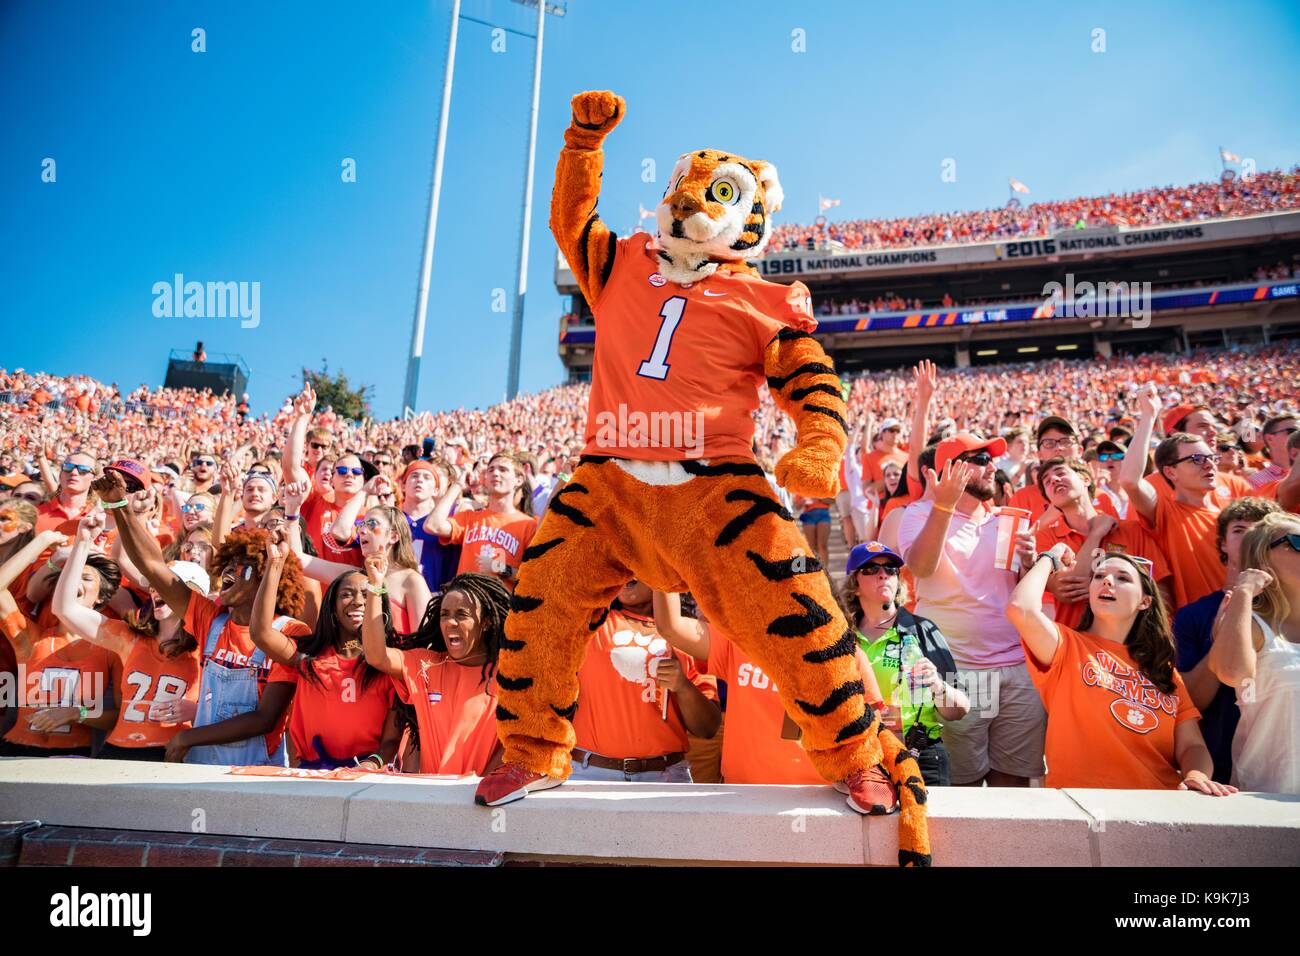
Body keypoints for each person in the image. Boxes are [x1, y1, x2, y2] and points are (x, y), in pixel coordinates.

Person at [97, 470, 310, 766]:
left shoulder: (290, 630)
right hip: (200, 763)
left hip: (255, 770)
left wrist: (189, 737)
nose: (227, 572)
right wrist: (120, 507)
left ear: (265, 577)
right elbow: (151, 566)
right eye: (228, 564)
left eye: (241, 566)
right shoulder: (211, 618)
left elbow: (265, 718)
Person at [1007, 544, 1233, 794]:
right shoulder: (1066, 645)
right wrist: (1050, 558)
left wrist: (1195, 776)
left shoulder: (1163, 670)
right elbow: (1021, 608)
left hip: (1159, 804)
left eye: (1122, 578)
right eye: (1099, 576)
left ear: (1145, 602)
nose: (1107, 582)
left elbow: (1192, 746)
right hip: (1085, 809)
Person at [898, 432, 1047, 787]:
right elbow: (919, 568)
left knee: (1013, 781)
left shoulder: (1006, 519)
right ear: (953, 469)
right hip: (959, 671)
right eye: (980, 459)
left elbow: (1016, 591)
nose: (992, 466)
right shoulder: (918, 514)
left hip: (1015, 669)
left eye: (992, 459)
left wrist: (1028, 562)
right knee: (961, 784)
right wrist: (944, 506)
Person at [51, 510, 207, 761]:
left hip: (170, 754)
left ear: (194, 595)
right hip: (115, 751)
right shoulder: (131, 638)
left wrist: (199, 711)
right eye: (156, 584)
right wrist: (82, 543)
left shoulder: (207, 645)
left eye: (171, 585)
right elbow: (64, 608)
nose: (158, 589)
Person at [250, 536, 400, 770]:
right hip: (312, 775)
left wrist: (371, 765)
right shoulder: (306, 656)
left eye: (367, 593)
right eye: (347, 594)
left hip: (368, 776)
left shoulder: (390, 662)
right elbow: (261, 633)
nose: (358, 601)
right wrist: (275, 564)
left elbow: (391, 741)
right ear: (332, 606)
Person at [361, 555, 506, 775]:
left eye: (462, 615)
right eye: (444, 615)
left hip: (480, 798)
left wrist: (483, 785)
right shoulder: (425, 664)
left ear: (485, 622)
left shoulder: (509, 676)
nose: (449, 622)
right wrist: (375, 588)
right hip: (432, 798)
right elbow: (376, 656)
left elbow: (514, 745)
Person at [566, 579, 720, 782]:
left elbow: (707, 728)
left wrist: (682, 686)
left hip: (665, 778)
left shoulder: (690, 638)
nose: (628, 572)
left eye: (638, 564)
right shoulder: (590, 622)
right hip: (592, 773)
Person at [841, 542, 969, 786]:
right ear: (854, 585)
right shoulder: (843, 637)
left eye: (890, 569)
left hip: (920, 756)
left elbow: (960, 710)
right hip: (864, 758)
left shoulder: (922, 630)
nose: (883, 574)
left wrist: (938, 686)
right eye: (870, 569)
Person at [1173, 497, 1281, 783]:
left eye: (1262, 530)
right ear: (1221, 544)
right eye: (1240, 530)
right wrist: (1221, 643)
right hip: (1220, 769)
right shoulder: (1193, 615)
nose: (1251, 538)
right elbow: (1190, 701)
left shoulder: (1293, 612)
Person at [0, 527, 122, 757]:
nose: (74, 580)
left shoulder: (113, 649)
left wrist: (77, 713)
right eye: (68, 577)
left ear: (100, 597)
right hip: (15, 751)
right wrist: (43, 541)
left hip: (73, 758)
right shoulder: (31, 638)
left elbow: (119, 715)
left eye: (85, 577)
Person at [1209, 512, 1300, 794]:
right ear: (1263, 559)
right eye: (1297, 541)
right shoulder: (1252, 622)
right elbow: (1231, 673)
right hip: (1269, 799)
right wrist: (1244, 591)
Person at [1120, 384, 1224, 610]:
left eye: (1212, 457)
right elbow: (1129, 480)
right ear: (1170, 472)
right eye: (1197, 459)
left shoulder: (1232, 517)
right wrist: (1148, 416)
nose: (1209, 464)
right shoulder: (1165, 513)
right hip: (1197, 633)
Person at [1034, 457, 1172, 627]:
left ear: (1085, 479)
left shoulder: (1131, 530)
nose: (1054, 479)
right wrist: (1096, 534)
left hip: (1132, 644)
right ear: (1049, 500)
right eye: (1047, 481)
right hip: (1078, 643)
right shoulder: (1046, 539)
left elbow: (1163, 594)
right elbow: (1068, 592)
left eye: (1061, 473)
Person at [285, 490, 430, 634]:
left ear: (393, 536)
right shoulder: (352, 576)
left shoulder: (411, 581)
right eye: (361, 525)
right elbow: (298, 559)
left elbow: (423, 642)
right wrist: (292, 511)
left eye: (372, 524)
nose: (362, 531)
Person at [424, 454, 537, 588]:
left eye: (503, 469)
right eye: (490, 470)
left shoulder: (529, 525)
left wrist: (500, 568)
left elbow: (534, 579)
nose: (495, 473)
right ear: (485, 478)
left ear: (519, 480)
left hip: (500, 605)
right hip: (464, 603)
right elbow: (432, 525)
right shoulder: (470, 518)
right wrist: (458, 485)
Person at [399, 460, 460, 596]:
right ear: (402, 485)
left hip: (433, 600)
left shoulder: (445, 525)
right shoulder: (389, 519)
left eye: (427, 477)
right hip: (394, 599)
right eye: (414, 475)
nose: (419, 480)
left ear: (436, 490)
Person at [35, 450, 95, 534]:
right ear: (60, 475)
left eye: (83, 470)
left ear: (94, 479)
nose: (74, 472)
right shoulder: (36, 513)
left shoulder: (99, 516)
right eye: (68, 467)